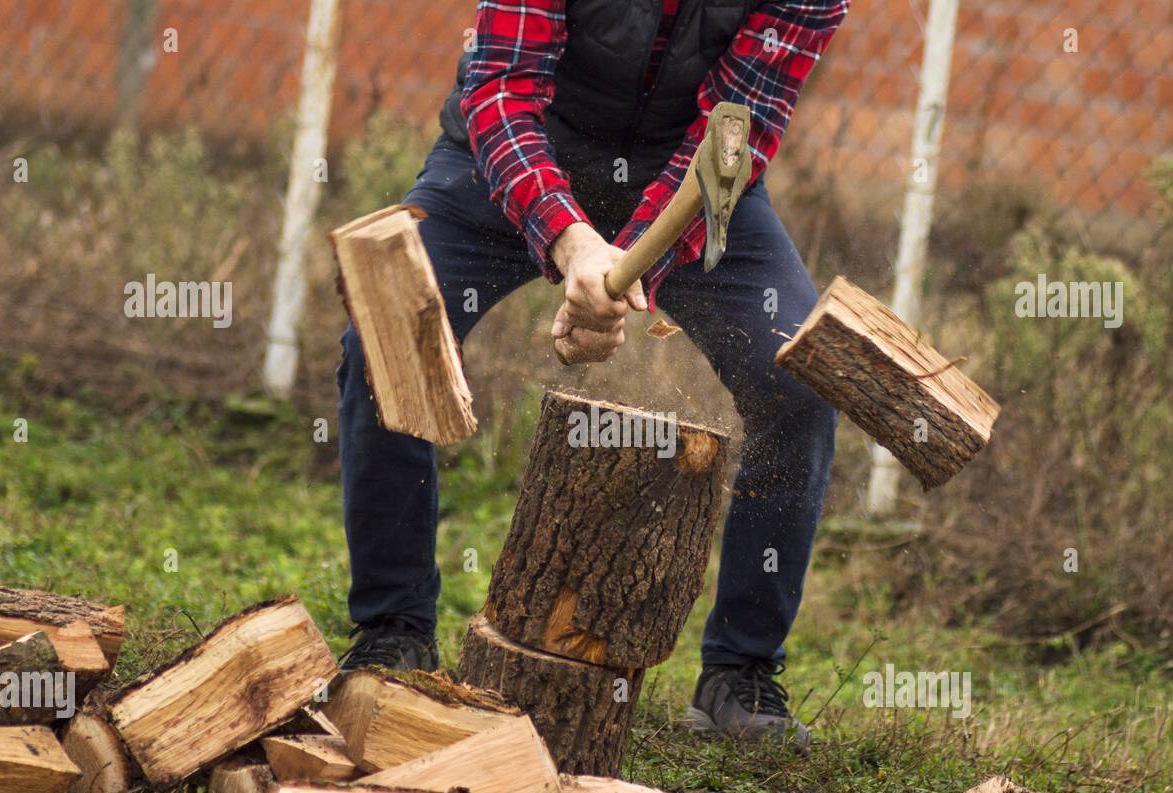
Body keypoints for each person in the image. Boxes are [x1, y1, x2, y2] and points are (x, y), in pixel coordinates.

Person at [337, 0, 850, 745]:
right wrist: (572, 244)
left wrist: (624, 268)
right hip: (520, 147)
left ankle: (740, 675)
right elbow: (502, 89)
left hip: (696, 178)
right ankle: (395, 632)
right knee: (386, 334)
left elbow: (739, 126)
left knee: (797, 381)